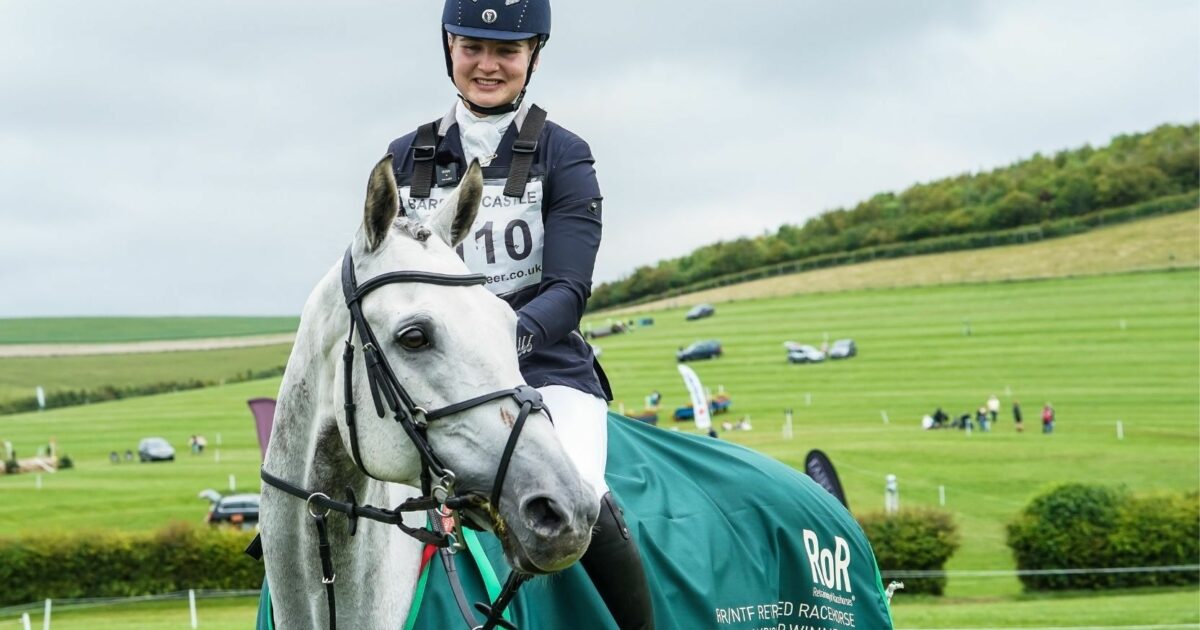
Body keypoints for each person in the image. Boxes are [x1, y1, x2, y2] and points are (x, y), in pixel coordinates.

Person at [384, 3, 653, 627]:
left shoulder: (565, 153)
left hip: (548, 371)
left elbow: (568, 290)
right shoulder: (404, 157)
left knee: (584, 493)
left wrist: (503, 344)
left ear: (533, 55)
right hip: (432, 384)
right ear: (449, 45)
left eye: (506, 50)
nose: (487, 64)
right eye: (473, 46)